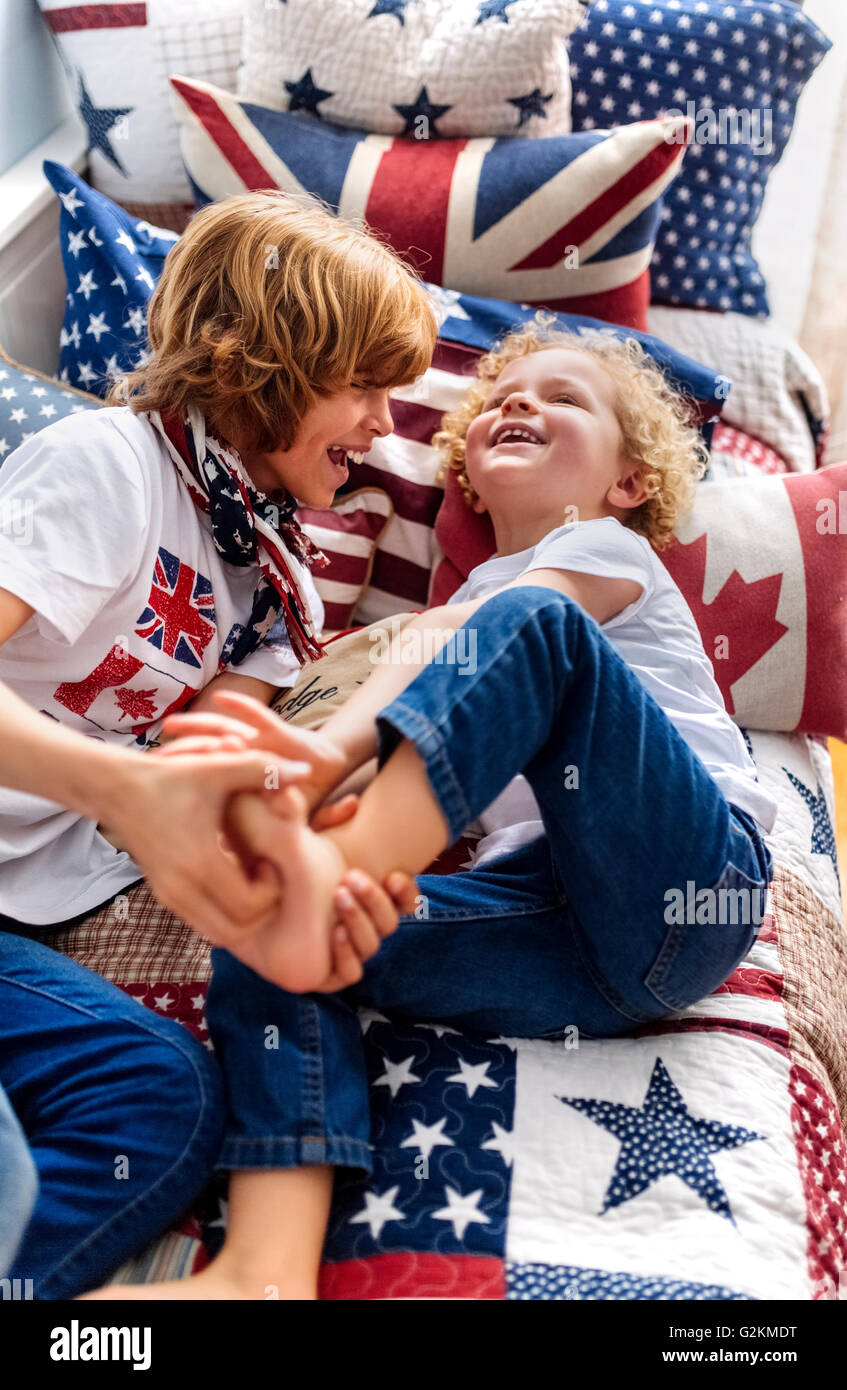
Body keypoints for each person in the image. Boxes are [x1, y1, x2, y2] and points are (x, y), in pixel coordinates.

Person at [100, 322, 777, 1300]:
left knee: (522, 628)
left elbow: (476, 637)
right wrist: (283, 816)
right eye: (503, 398)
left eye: (562, 398)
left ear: (628, 482)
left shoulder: (599, 553)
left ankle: (328, 883)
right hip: (566, 950)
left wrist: (317, 769)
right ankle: (264, 1267)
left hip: (690, 879)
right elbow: (419, 699)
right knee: (280, 934)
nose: (518, 405)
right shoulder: (445, 625)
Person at [0, 187, 433, 1294]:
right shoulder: (110, 469)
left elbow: (208, 765)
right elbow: (149, 781)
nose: (387, 423)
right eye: (365, 387)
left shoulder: (266, 585)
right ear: (267, 368)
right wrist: (123, 785)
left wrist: (318, 851)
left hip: (21, 913)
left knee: (158, 1098)